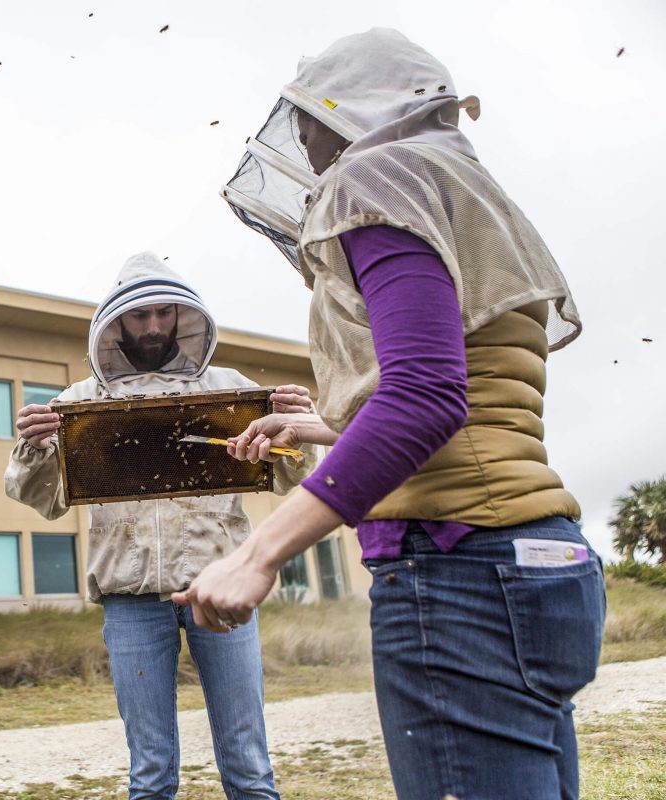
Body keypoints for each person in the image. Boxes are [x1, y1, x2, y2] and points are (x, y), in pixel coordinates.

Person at [180, 28, 604, 800]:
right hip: (545, 559)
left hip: (461, 564)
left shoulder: (376, 175)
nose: (305, 142)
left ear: (354, 110)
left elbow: (428, 397)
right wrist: (324, 428)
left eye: (310, 117)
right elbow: (475, 395)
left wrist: (257, 554)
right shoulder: (465, 188)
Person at [5, 252, 315, 800]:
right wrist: (35, 447)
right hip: (129, 598)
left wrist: (296, 429)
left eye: (164, 314)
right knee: (149, 772)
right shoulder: (81, 402)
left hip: (222, 585)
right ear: (116, 320)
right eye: (140, 315)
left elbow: (288, 476)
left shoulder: (228, 386)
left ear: (183, 318)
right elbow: (43, 502)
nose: (152, 327)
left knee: (247, 761)